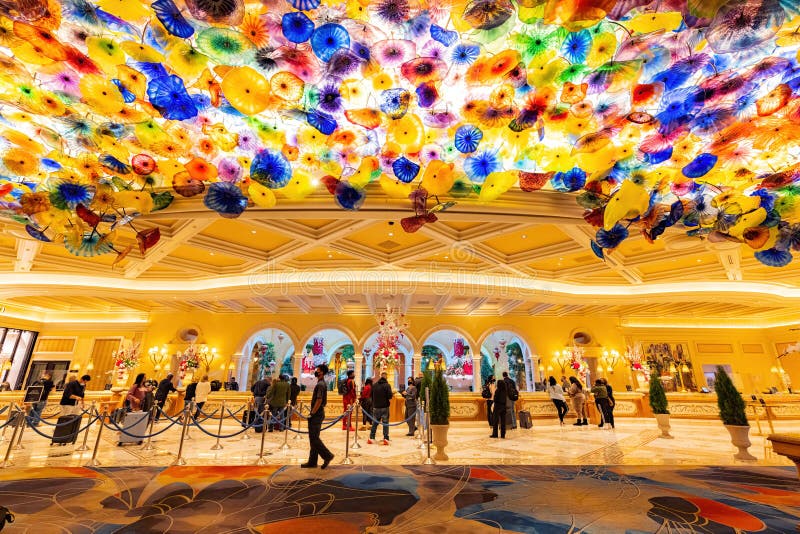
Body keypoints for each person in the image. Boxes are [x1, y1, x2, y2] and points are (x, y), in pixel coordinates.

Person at [301, 364, 334, 469]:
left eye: (318, 370)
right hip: (318, 413)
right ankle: (312, 461)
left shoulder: (320, 384)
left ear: (322, 372)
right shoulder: (322, 383)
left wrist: (312, 413)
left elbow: (319, 400)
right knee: (313, 438)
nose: (316, 371)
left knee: (314, 438)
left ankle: (327, 455)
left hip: (317, 414)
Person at [368, 371, 392, 445]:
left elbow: (371, 395)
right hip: (384, 406)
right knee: (385, 423)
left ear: (381, 376)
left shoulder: (374, 385)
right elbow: (390, 396)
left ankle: (371, 437)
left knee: (375, 422)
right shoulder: (387, 385)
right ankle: (386, 438)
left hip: (376, 406)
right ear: (386, 377)